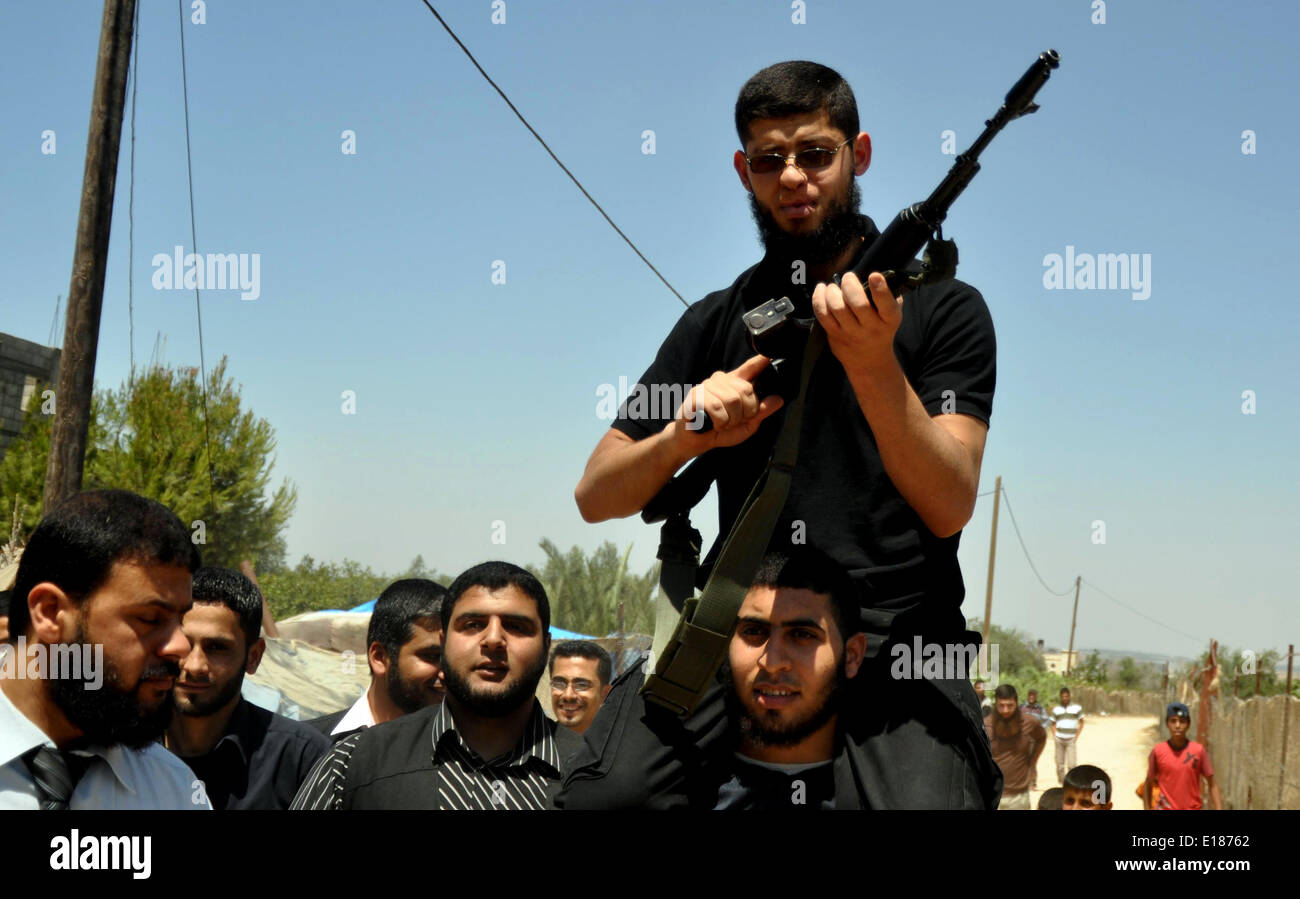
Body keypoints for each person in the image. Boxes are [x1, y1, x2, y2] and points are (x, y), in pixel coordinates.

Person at [572, 59, 998, 809]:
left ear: (857, 155)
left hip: (896, 646)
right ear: (744, 170)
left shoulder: (945, 311)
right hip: (743, 633)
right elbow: (596, 491)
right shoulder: (716, 321)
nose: (792, 177)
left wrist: (872, 364)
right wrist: (686, 434)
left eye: (815, 154)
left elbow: (950, 500)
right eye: (769, 160)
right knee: (606, 797)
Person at [290, 562, 583, 809]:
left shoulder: (593, 773)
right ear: (443, 644)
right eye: (472, 624)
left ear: (546, 647)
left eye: (516, 626)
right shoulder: (354, 763)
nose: (493, 639)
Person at [0, 489, 209, 809]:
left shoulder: (176, 791)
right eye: (150, 619)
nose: (181, 646)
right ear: (49, 612)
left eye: (181, 619)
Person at [165, 567, 331, 809]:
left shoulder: (301, 759)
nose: (194, 665)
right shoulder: (122, 750)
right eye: (185, 643)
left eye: (217, 648)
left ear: (253, 657)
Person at [306, 577, 448, 741]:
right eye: (431, 656)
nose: (446, 673)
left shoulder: (472, 751)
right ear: (379, 658)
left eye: (451, 657)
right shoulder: (309, 748)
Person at [1144, 702, 1222, 810]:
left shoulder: (1198, 751)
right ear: (1167, 723)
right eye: (1173, 721)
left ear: (1188, 724)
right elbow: (1148, 783)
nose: (1177, 725)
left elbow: (1212, 784)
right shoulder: (1158, 751)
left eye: (1182, 721)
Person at [985, 684, 1045, 809]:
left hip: (1019, 796)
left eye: (1010, 705)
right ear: (995, 704)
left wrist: (1032, 762)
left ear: (1017, 703)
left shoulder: (1030, 722)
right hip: (991, 794)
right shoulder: (986, 725)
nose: (1005, 710)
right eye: (1001, 705)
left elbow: (1041, 738)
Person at [549, 640, 612, 735]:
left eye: (581, 685)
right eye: (559, 684)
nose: (568, 695)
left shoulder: (622, 746)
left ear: (605, 694)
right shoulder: (535, 744)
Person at [1050, 686, 1085, 783]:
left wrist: (1076, 736)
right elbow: (1053, 723)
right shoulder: (1056, 709)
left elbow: (1081, 722)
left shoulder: (1077, 708)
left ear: (1069, 696)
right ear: (1060, 697)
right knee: (1059, 764)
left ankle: (1071, 782)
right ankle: (1062, 783)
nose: (1065, 698)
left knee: (1072, 764)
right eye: (1063, 696)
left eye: (1066, 696)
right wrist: (1055, 735)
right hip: (1059, 739)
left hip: (1071, 740)